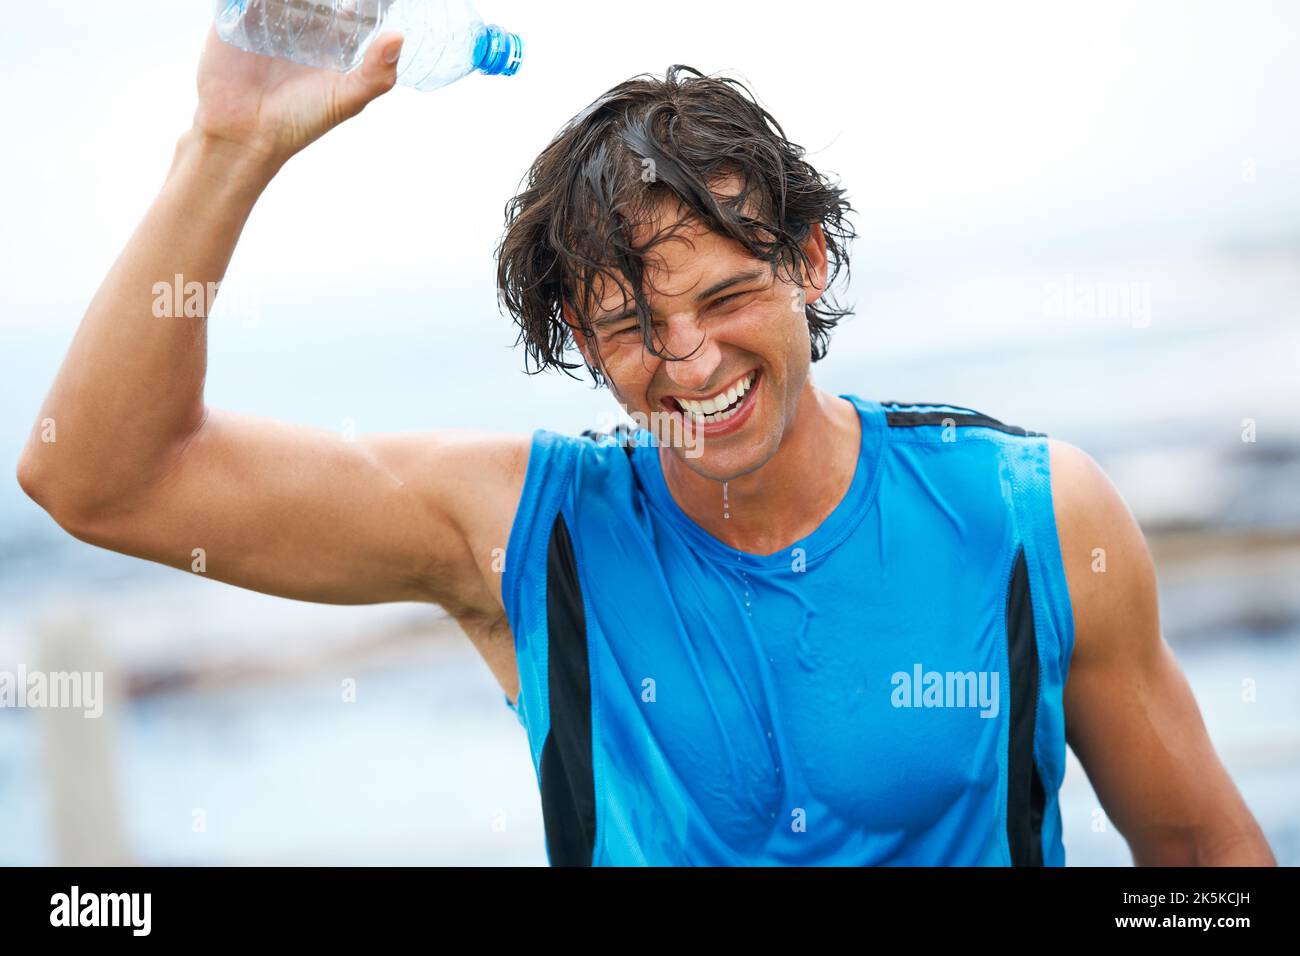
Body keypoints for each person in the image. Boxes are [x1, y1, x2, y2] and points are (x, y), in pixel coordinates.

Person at [17, 28, 1275, 867]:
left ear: (808, 261)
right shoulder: (525, 531)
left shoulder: (1031, 514)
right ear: (579, 332)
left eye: (726, 298)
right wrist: (227, 147)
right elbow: (100, 477)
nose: (689, 364)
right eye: (630, 325)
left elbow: (1204, 862)